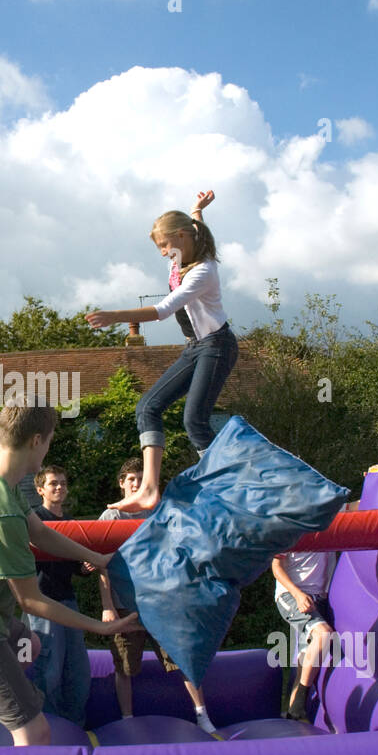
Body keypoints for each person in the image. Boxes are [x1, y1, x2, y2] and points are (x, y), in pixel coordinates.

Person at [0, 402, 140, 747]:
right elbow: (32, 601)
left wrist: (97, 557)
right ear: (37, 440)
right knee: (35, 733)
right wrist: (101, 626)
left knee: (29, 645)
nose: (50, 446)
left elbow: (38, 531)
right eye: (51, 439)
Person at [85, 189, 238, 512]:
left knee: (194, 420)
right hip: (195, 348)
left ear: (181, 238)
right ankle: (150, 489)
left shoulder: (203, 271)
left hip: (217, 346)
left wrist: (115, 316)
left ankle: (225, 487)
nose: (164, 253)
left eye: (165, 246)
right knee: (147, 407)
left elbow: (164, 309)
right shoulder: (191, 240)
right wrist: (196, 208)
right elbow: (195, 226)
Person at [96, 457, 218, 735]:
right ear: (122, 484)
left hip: (161, 602)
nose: (137, 483)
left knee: (182, 656)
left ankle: (202, 715)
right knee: (126, 664)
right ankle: (127, 719)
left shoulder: (160, 513)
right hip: (126, 604)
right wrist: (108, 606)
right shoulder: (112, 517)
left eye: (141, 479)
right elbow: (100, 564)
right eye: (131, 480)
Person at [272, 502, 357, 722]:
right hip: (292, 595)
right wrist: (298, 595)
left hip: (318, 597)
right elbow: (276, 568)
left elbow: (357, 505)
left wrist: (377, 475)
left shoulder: (329, 515)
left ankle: (291, 714)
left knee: (306, 654)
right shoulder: (290, 528)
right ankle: (301, 697)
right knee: (323, 634)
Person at [23, 464, 92, 727]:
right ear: (40, 489)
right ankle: (48, 725)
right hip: (41, 603)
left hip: (67, 601)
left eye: (63, 483)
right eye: (54, 483)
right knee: (47, 668)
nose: (60, 487)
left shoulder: (72, 524)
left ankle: (74, 726)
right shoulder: (33, 521)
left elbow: (76, 566)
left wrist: (85, 567)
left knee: (77, 669)